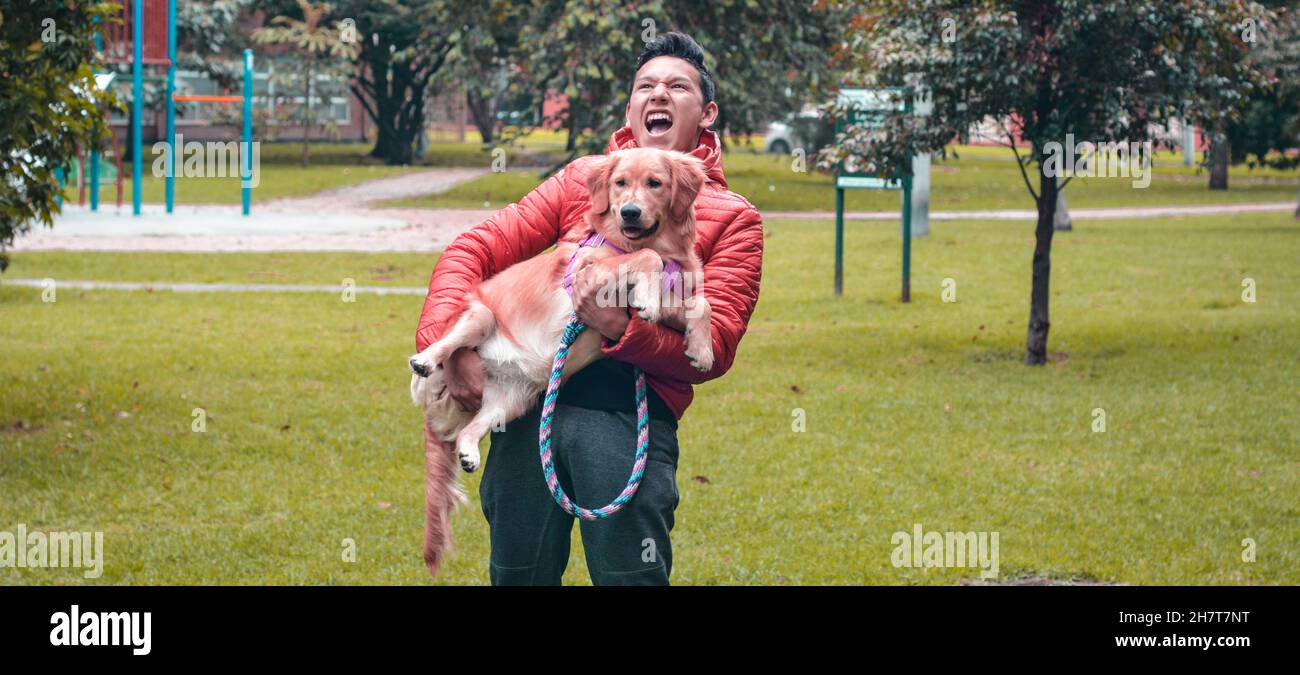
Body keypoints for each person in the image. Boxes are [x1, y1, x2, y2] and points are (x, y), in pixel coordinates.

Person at [415, 32, 763, 585]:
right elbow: (473, 249)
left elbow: (712, 349)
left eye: (678, 86)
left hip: (626, 419)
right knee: (517, 577)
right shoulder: (586, 178)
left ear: (708, 112)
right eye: (645, 85)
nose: (659, 95)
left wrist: (619, 328)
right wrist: (448, 347)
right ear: (630, 107)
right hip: (524, 411)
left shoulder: (734, 217)